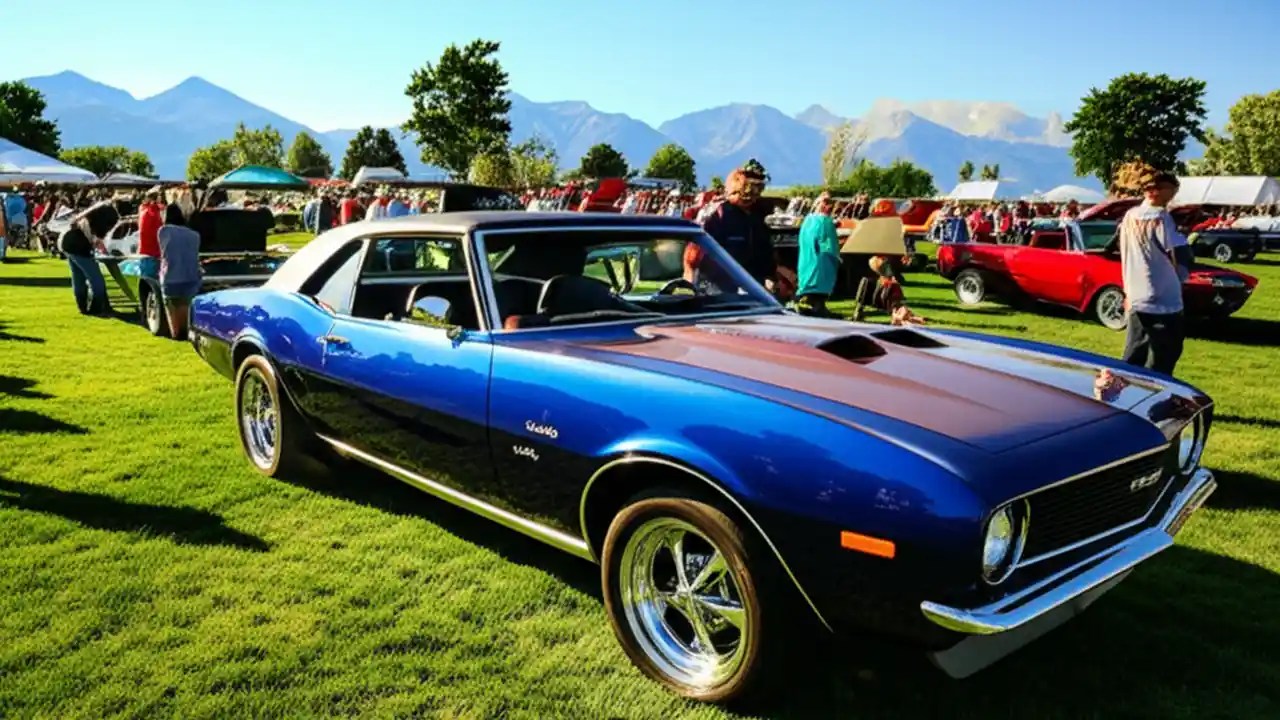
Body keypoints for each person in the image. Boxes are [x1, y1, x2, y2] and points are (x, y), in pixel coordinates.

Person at [1119, 171, 1189, 376]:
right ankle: (1155, 396)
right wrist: (1181, 276)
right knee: (1165, 353)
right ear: (1157, 191)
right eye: (1172, 191)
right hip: (1163, 295)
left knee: (1134, 352)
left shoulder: (1130, 215)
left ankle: (1124, 393)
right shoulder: (1161, 217)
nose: (1173, 195)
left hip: (1135, 292)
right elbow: (1174, 252)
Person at [695, 159, 777, 291]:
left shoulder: (759, 215)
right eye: (750, 186)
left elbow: (765, 250)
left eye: (759, 187)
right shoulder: (718, 213)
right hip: (719, 285)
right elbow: (698, 251)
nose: (753, 193)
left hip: (753, 284)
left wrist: (771, 275)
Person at [58, 201, 118, 315]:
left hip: (67, 243)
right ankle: (97, 308)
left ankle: (82, 307)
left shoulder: (85, 219)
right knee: (96, 280)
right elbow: (99, 243)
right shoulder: (97, 227)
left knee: (78, 277)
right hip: (79, 247)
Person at [158, 205, 202, 339]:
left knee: (172, 306)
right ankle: (186, 332)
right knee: (186, 306)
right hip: (191, 276)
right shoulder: (195, 235)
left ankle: (177, 334)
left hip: (171, 276)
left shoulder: (163, 231)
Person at [794, 192, 841, 317]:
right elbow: (828, 242)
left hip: (808, 257)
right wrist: (836, 255)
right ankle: (817, 306)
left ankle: (811, 303)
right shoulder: (825, 221)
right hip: (822, 259)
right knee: (819, 281)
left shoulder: (807, 220)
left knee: (809, 279)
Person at [136, 189, 164, 278]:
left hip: (144, 251)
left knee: (145, 280)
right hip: (153, 252)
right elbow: (158, 232)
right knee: (154, 282)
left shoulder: (143, 210)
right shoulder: (153, 213)